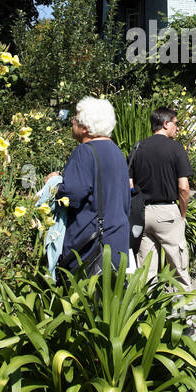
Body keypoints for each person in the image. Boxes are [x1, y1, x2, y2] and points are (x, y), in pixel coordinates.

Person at [48, 97, 131, 277]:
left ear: (86, 127)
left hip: (89, 245)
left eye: (76, 119)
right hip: (116, 241)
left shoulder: (84, 152)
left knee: (80, 300)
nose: (72, 121)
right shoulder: (117, 152)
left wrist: (55, 184)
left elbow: (72, 196)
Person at [128, 107, 195, 291]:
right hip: (167, 213)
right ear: (166, 124)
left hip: (142, 214)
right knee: (179, 270)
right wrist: (182, 213)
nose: (178, 128)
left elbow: (130, 185)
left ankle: (149, 317)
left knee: (146, 273)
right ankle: (183, 316)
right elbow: (183, 187)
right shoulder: (176, 148)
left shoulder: (138, 147)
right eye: (176, 123)